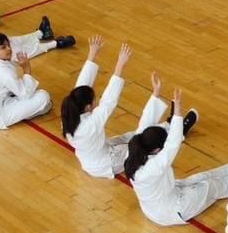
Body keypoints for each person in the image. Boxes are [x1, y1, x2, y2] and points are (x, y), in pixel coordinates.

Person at [125, 88, 228, 226]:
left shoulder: (136, 148)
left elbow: (143, 126)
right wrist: (177, 112)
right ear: (157, 150)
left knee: (201, 177)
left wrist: (156, 94)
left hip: (165, 197)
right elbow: (173, 144)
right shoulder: (152, 167)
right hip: (173, 210)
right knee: (212, 186)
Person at [62, 41, 168, 180]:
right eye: (94, 99)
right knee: (141, 141)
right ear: (88, 107)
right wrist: (120, 65)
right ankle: (175, 129)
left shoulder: (71, 113)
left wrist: (92, 54)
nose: (96, 99)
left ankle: (168, 125)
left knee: (129, 136)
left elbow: (80, 88)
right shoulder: (88, 125)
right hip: (106, 164)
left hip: (96, 153)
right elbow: (108, 102)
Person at [0, 33, 54, 130]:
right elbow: (26, 94)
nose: (9, 49)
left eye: (8, 45)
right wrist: (26, 68)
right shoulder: (3, 72)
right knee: (43, 96)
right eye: (3, 47)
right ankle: (31, 113)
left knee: (28, 88)